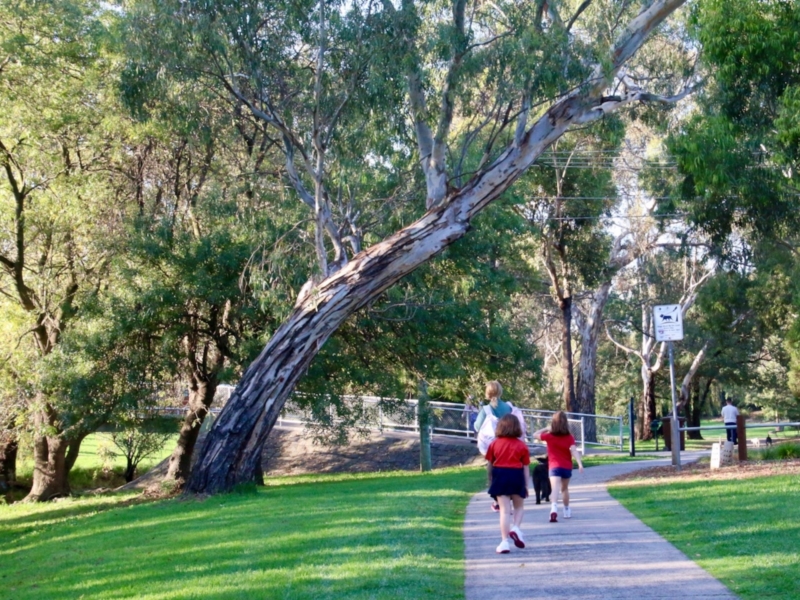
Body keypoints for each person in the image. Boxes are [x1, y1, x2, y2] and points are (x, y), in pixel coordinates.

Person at [485, 413, 531, 554]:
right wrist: (526, 485)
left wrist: (490, 479)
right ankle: (516, 528)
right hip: (516, 475)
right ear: (517, 427)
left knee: (504, 511)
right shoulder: (521, 445)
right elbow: (526, 467)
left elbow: (490, 464)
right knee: (519, 507)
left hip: (500, 475)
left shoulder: (494, 444)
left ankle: (504, 542)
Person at [533, 411, 583, 523]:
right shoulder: (569, 437)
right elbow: (574, 450)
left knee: (554, 489)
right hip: (566, 466)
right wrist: (579, 463)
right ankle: (566, 510)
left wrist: (546, 428)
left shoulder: (549, 436)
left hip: (554, 466)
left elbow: (534, 434)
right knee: (564, 489)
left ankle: (553, 509)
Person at [474, 381, 512, 512]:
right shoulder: (508, 407)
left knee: (493, 471)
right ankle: (508, 496)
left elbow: (477, 426)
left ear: (487, 393)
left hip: (493, 447)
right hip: (508, 444)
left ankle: (497, 500)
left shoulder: (486, 409)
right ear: (500, 392)